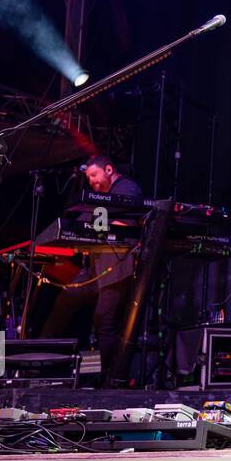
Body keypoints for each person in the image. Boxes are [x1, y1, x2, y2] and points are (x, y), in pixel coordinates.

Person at [80, 154, 142, 378]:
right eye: (88, 178)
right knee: (83, 316)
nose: (91, 181)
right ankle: (84, 374)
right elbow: (79, 222)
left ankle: (109, 376)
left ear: (108, 169)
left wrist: (92, 228)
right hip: (96, 270)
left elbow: (124, 224)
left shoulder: (126, 189)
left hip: (118, 267)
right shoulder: (98, 198)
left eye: (93, 175)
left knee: (104, 322)